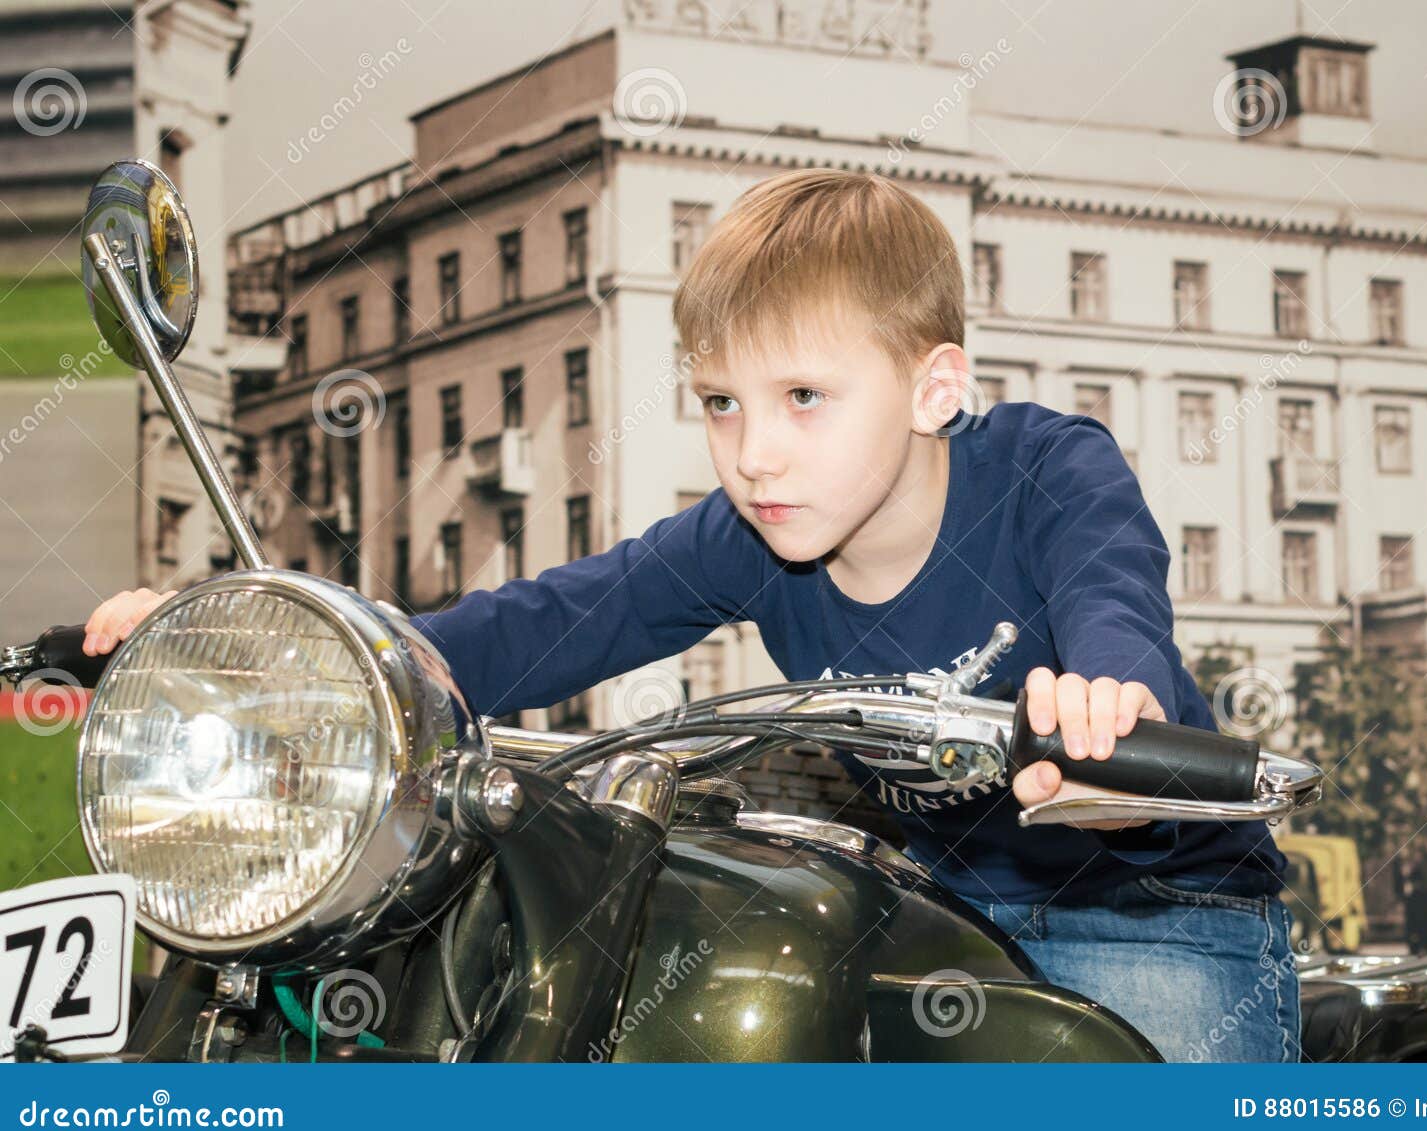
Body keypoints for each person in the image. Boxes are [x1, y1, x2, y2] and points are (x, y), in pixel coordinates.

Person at [78, 169, 1298, 1062]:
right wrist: (264, 650)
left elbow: (1113, 582)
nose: (755, 454)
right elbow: (541, 621)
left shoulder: (1042, 470)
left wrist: (1106, 687)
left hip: (1156, 908)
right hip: (945, 907)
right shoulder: (752, 538)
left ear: (934, 386)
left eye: (804, 396)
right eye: (722, 402)